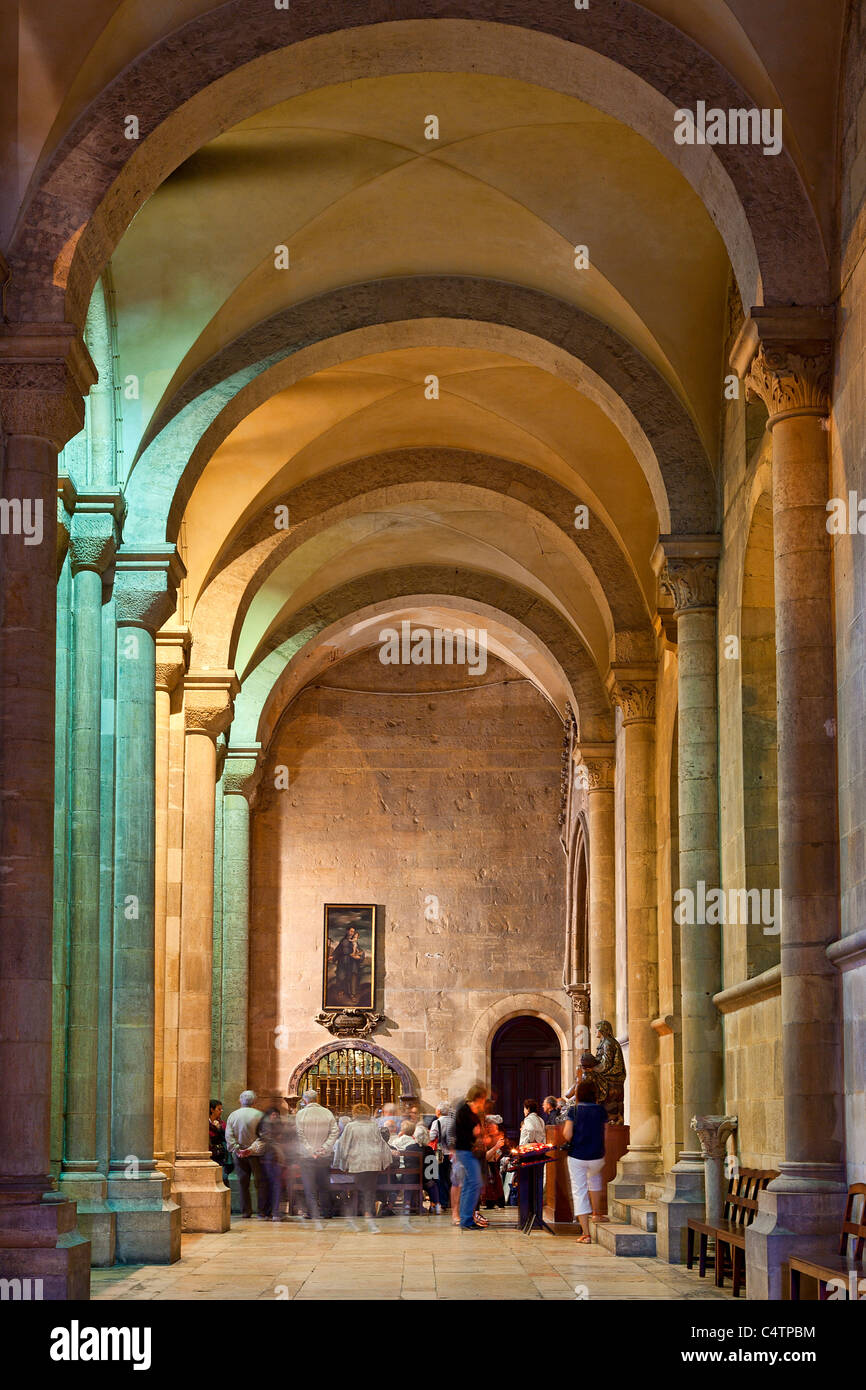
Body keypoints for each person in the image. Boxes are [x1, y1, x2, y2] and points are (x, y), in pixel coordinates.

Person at [332, 1102, 394, 1232]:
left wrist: (340, 1163)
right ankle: (368, 1214)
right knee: (369, 1189)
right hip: (373, 1162)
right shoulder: (373, 1126)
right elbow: (381, 1144)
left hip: (357, 1162)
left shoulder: (351, 1127)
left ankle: (361, 1215)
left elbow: (343, 1145)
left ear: (355, 1113)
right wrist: (385, 1161)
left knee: (360, 1189)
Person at [563, 1081, 609, 1242]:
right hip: (597, 1155)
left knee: (579, 1191)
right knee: (595, 1181)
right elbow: (606, 1135)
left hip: (577, 1155)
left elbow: (567, 1134)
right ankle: (596, 1214)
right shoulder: (601, 1110)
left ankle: (586, 1234)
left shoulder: (573, 1110)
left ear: (579, 1093)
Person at [295, 1088, 338, 1224]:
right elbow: (335, 1132)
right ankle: (327, 1211)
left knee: (309, 1185)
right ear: (316, 1099)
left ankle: (313, 1212)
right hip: (323, 1156)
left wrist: (310, 1150)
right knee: (324, 1184)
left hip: (307, 1156)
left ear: (305, 1100)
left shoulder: (301, 1114)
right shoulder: (327, 1113)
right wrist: (324, 1148)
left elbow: (300, 1134)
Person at [225, 1090, 267, 1219]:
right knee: (260, 1183)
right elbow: (264, 1135)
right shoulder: (260, 1115)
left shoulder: (233, 1115)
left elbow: (229, 1135)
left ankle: (246, 1211)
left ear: (240, 1100)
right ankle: (262, 1211)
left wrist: (238, 1149)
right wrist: (251, 1149)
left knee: (243, 1184)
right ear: (254, 1101)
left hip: (239, 1155)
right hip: (256, 1154)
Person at [453, 1084, 489, 1230]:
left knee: (469, 1184)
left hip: (467, 1150)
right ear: (478, 1097)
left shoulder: (470, 1111)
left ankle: (466, 1219)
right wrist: (474, 1133)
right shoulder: (464, 1110)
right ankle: (466, 1219)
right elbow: (460, 1132)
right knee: (474, 1183)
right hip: (464, 1150)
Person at [261, 1099, 293, 1220]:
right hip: (271, 1158)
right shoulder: (266, 1126)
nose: (274, 1116)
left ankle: (272, 1212)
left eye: (276, 1115)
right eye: (273, 1114)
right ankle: (272, 1212)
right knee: (274, 1186)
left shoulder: (275, 1126)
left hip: (274, 1159)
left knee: (276, 1186)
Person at [209, 1099, 231, 1187]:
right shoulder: (204, 1123)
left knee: (224, 1178)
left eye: (221, 1109)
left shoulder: (221, 1123)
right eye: (219, 1109)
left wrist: (219, 1129)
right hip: (209, 1154)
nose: (221, 1111)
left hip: (219, 1154)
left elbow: (227, 1137)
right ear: (212, 1109)